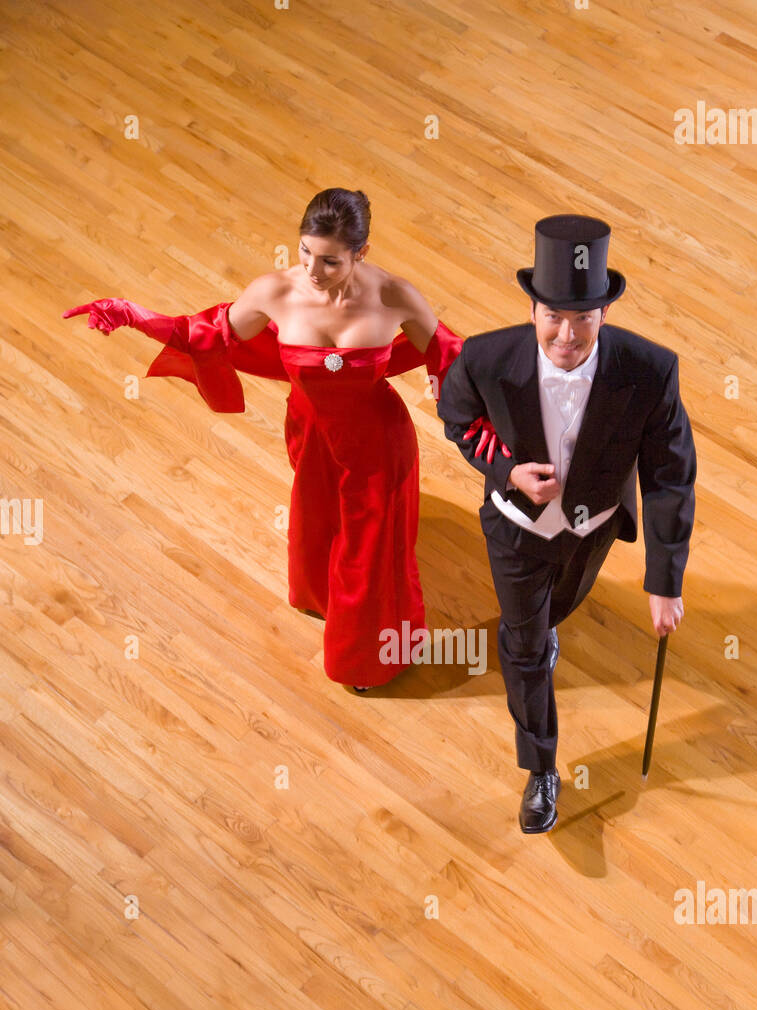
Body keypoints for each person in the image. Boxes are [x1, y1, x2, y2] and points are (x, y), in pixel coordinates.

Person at [64, 188, 500, 689]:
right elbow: (207, 335)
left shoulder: (394, 295)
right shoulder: (274, 291)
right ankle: (322, 598)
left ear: (362, 253)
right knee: (319, 520)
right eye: (305, 252)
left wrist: (485, 415)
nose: (313, 270)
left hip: (379, 440)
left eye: (331, 261)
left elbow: (450, 358)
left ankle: (366, 660)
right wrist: (134, 315)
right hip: (311, 431)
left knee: (370, 549)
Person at [437, 214, 697, 832]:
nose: (567, 334)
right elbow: (457, 420)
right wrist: (506, 472)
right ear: (532, 309)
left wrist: (665, 582)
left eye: (583, 317)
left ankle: (544, 631)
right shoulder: (483, 358)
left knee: (556, 611)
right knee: (522, 644)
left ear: (604, 315)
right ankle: (541, 766)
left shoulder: (649, 370)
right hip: (514, 529)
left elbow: (669, 475)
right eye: (554, 315)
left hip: (593, 528)